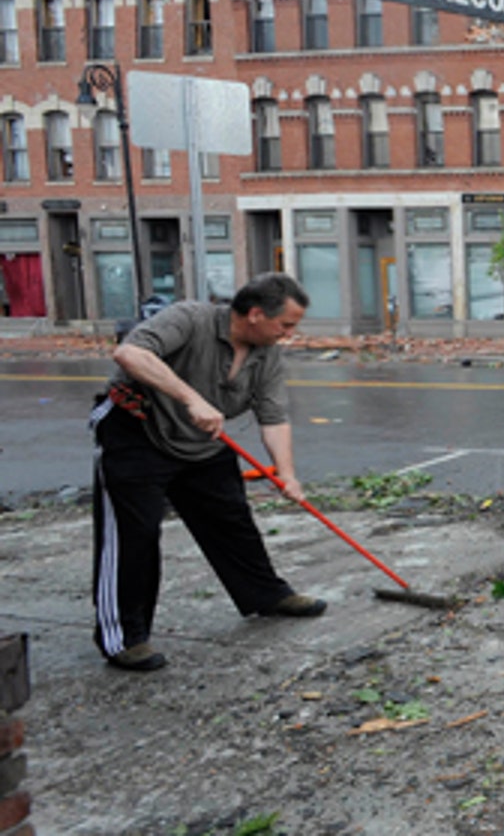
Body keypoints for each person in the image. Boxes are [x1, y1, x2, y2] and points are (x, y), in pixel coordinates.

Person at [90, 272, 327, 672]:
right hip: (137, 433)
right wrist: (191, 398)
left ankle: (266, 594)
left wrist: (287, 474)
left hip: (201, 441)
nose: (289, 334)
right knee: (136, 535)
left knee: (231, 517)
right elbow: (129, 354)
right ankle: (125, 638)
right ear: (255, 314)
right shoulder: (189, 319)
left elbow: (273, 416)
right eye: (286, 325)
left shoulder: (266, 353)